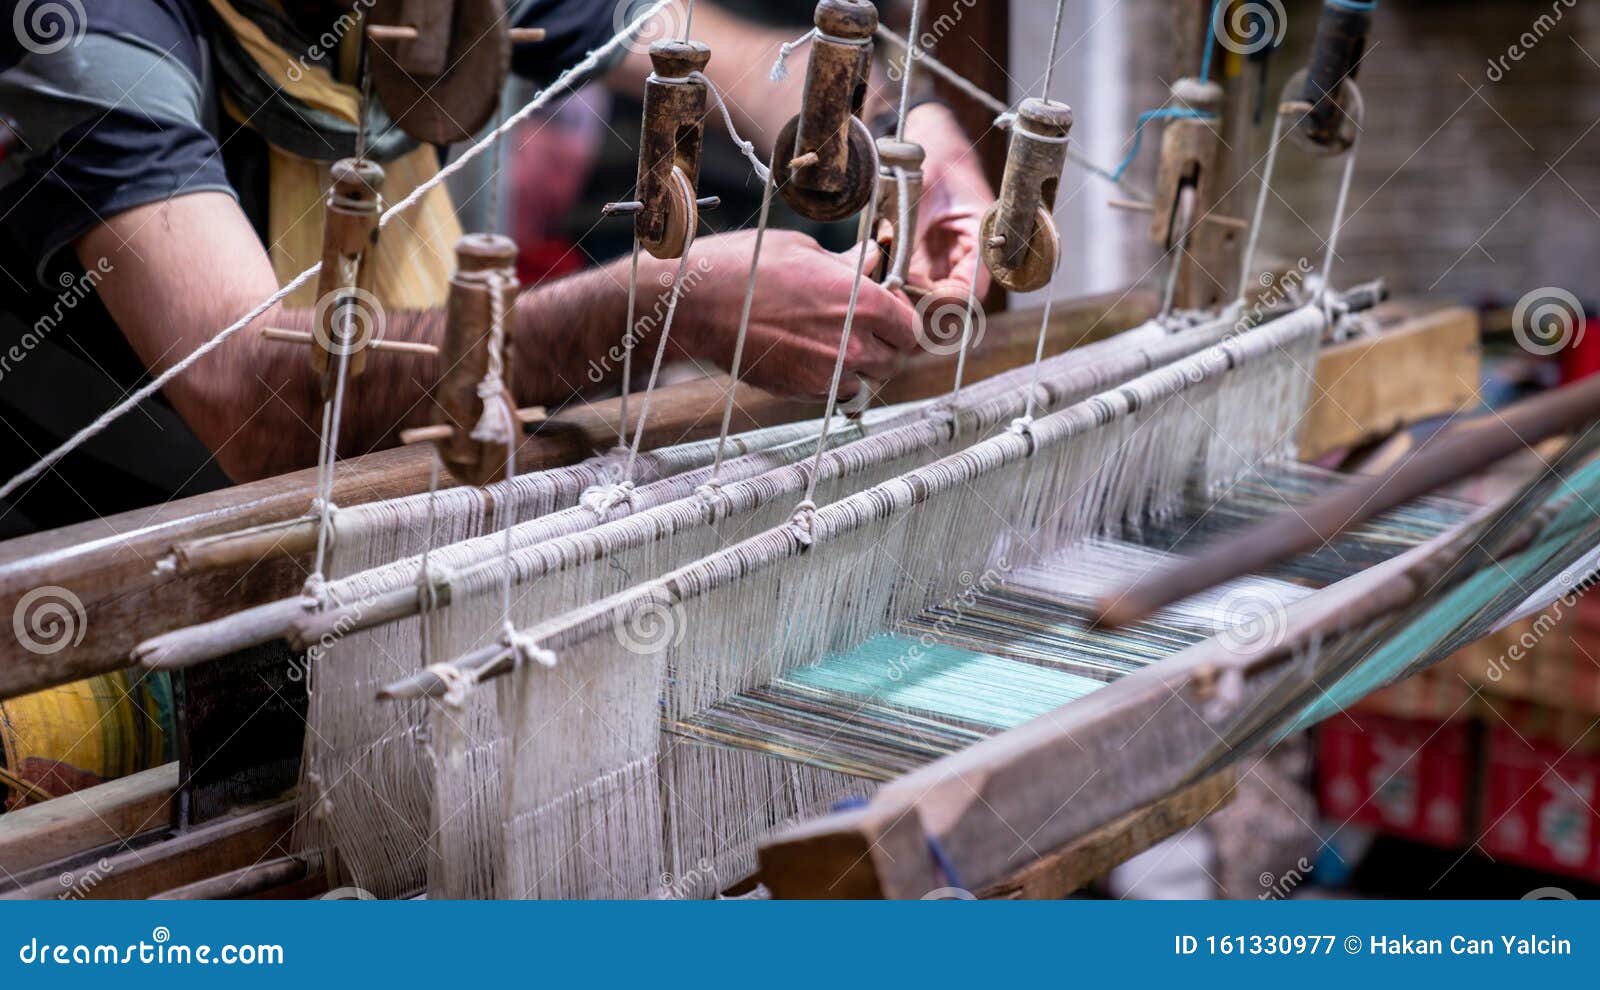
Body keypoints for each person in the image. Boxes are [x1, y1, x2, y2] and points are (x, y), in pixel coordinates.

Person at [0, 0, 991, 536]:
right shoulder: (85, 27)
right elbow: (255, 396)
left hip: (319, 569)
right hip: (96, 581)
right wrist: (657, 308)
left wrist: (895, 131)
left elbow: (701, 47)